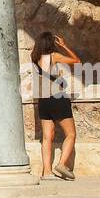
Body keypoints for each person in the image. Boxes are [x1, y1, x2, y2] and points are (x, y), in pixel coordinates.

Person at [31, 31, 81, 181]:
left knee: (47, 137)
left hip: (43, 100)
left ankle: (46, 172)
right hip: (58, 97)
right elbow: (76, 60)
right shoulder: (54, 56)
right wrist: (64, 46)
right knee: (71, 134)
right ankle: (61, 164)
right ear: (51, 43)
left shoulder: (34, 58)